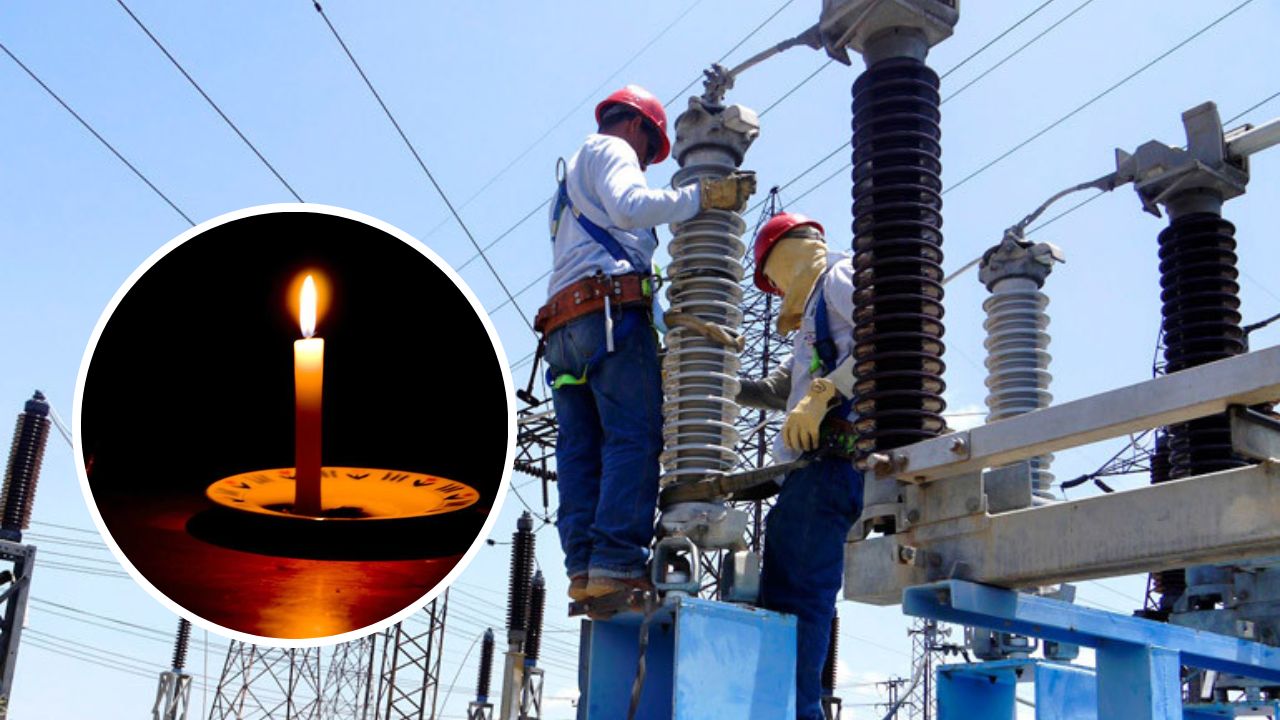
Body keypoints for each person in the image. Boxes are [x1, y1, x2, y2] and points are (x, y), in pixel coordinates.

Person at [535, 84, 755, 603]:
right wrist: (703, 197)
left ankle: (585, 569)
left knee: (580, 452)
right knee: (632, 438)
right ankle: (616, 562)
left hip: (563, 328)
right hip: (608, 317)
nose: (644, 163)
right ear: (636, 126)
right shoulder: (611, 149)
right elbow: (632, 206)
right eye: (649, 152)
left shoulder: (569, 184)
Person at [737, 212, 864, 720]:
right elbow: (777, 390)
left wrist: (827, 391)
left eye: (772, 280)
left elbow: (891, 331)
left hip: (831, 460)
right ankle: (792, 707)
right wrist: (710, 375)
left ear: (785, 254)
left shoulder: (839, 277)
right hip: (815, 468)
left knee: (796, 597)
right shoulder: (814, 311)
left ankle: (795, 711)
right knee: (787, 591)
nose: (776, 291)